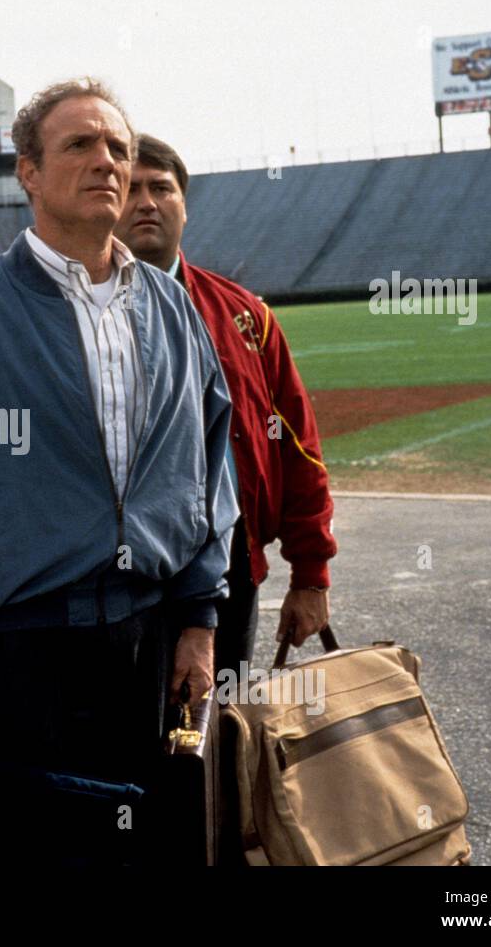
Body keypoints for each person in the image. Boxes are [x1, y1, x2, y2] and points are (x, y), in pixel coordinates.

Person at [0, 79, 237, 856]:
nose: (108, 162)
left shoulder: (173, 312)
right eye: (80, 145)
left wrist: (200, 622)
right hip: (20, 655)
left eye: (120, 149)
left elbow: (207, 471)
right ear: (27, 171)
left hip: (148, 645)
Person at [116, 134, 337, 679]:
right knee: (125, 744)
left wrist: (310, 576)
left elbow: (298, 447)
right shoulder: (77, 314)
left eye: (162, 188)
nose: (147, 202)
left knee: (218, 730)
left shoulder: (245, 317)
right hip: (120, 576)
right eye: (131, 188)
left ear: (184, 208)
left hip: (232, 568)